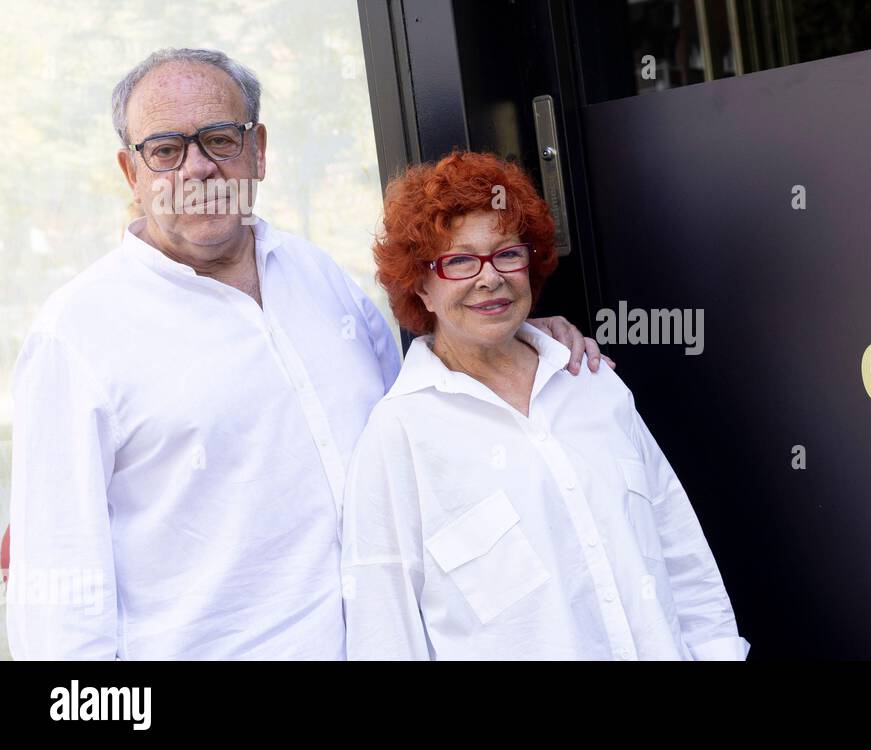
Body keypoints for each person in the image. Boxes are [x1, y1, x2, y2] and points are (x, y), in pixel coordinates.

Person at [5, 48, 606, 660]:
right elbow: (58, 592)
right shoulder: (76, 336)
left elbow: (427, 429)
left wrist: (520, 340)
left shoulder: (323, 281)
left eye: (219, 139)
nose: (198, 170)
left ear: (258, 150)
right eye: (164, 150)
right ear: (131, 174)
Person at [343, 151, 748, 660]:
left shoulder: (591, 383)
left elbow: (680, 552)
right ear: (420, 285)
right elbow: (383, 632)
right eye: (460, 261)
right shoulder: (398, 436)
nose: (489, 278)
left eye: (507, 253)